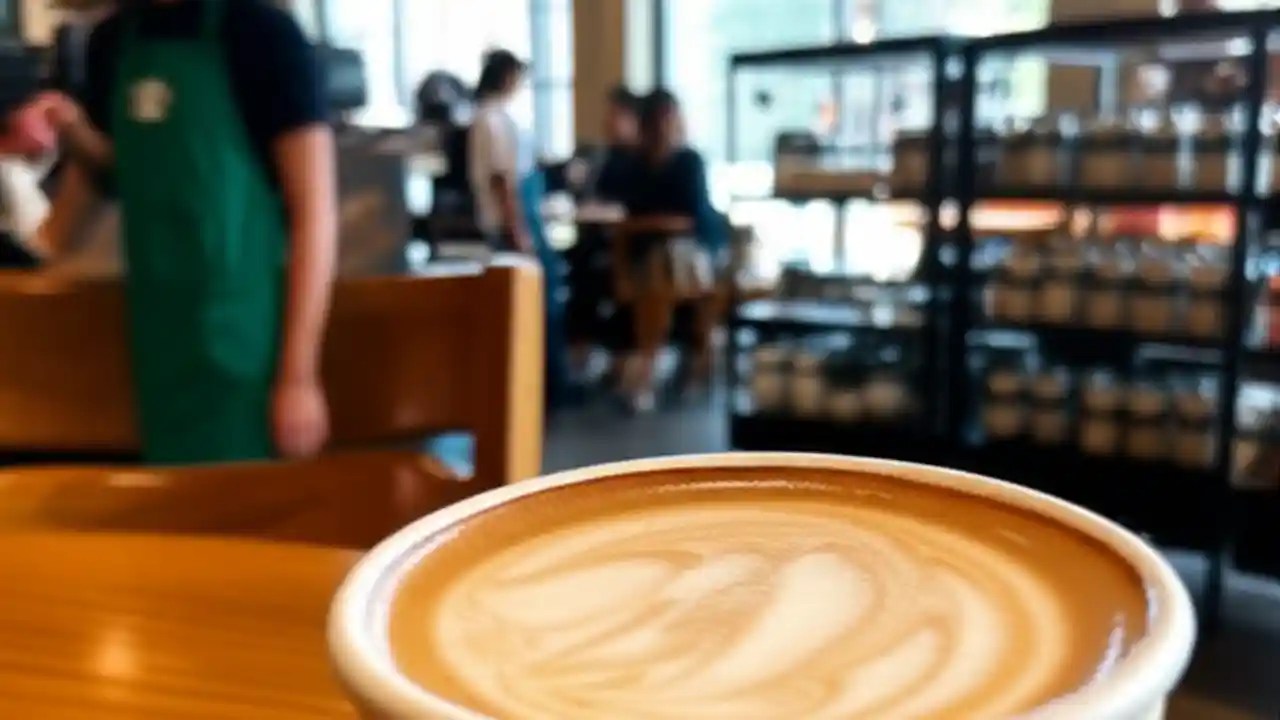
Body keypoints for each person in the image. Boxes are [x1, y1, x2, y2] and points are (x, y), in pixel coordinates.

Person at [40, 0, 337, 464]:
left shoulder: (263, 36)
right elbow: (119, 170)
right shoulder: (112, 41)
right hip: (153, 342)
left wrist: (298, 377)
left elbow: (315, 214)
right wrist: (73, 128)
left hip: (247, 347)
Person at [469, 48, 567, 409]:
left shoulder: (501, 118)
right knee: (533, 310)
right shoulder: (490, 120)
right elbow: (502, 183)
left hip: (521, 221)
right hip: (511, 228)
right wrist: (519, 231)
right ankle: (542, 390)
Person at [614, 88, 724, 410]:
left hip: (691, 253)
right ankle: (650, 364)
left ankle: (648, 367)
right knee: (653, 278)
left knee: (662, 275)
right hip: (650, 255)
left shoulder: (689, 162)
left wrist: (648, 225)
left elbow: (688, 220)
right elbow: (631, 216)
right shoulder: (634, 165)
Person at [565, 85, 639, 378]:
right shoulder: (608, 158)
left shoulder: (638, 161)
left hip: (632, 247)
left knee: (595, 274)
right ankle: (579, 356)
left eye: (614, 115)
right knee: (579, 268)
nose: (607, 122)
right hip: (602, 245)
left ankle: (606, 357)